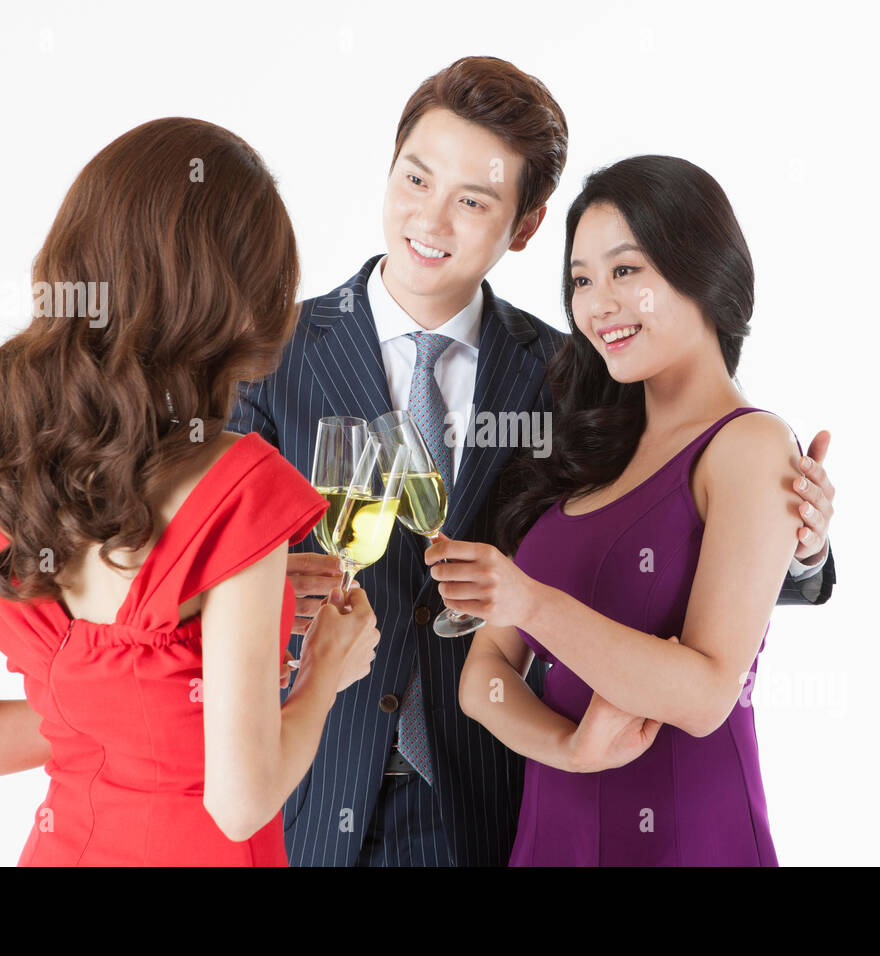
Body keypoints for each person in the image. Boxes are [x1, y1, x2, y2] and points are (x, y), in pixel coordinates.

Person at [230, 56, 837, 867]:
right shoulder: (268, 355)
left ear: (524, 226)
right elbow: (193, 567)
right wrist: (265, 595)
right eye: (416, 180)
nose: (432, 220)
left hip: (501, 803)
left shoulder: (572, 376)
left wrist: (806, 548)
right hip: (314, 790)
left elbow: (671, 531)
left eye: (473, 201)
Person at [0, 117, 380, 865]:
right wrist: (325, 673)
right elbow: (239, 801)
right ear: (234, 302)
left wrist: (138, 702)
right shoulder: (239, 486)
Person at [436, 154, 809, 865]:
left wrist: (529, 603)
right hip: (553, 834)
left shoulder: (750, 446)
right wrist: (569, 750)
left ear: (703, 268)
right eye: (581, 280)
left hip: (682, 836)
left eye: (625, 271)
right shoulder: (590, 445)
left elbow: (704, 695)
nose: (597, 303)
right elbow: (484, 675)